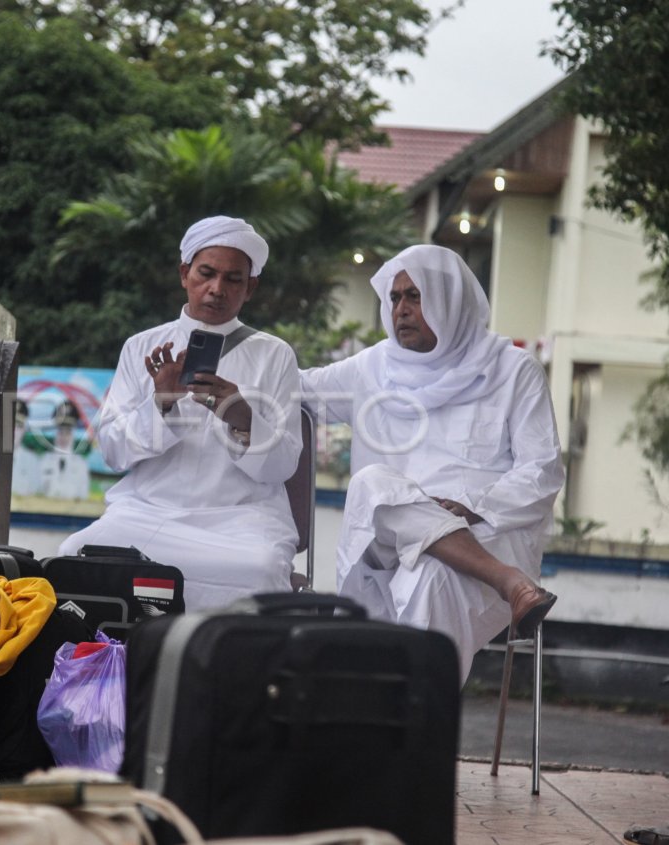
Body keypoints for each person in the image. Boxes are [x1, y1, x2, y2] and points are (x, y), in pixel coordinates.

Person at [300, 245, 563, 683]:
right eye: (395, 297)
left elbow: (543, 470)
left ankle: (412, 736)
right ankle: (509, 582)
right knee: (373, 483)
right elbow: (297, 392)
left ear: (449, 298)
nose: (401, 309)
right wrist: (229, 371)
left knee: (430, 578)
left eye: (415, 297)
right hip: (389, 550)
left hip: (489, 533)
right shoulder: (373, 367)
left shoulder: (513, 370)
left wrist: (475, 506)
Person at [58, 216, 302, 608]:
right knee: (77, 551)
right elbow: (112, 452)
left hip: (241, 522)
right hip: (146, 514)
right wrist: (162, 403)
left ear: (250, 287)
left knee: (260, 570)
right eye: (206, 273)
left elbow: (283, 466)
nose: (217, 289)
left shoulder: (274, 355)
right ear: (184, 273)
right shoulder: (142, 348)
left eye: (233, 279)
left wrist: (240, 416)